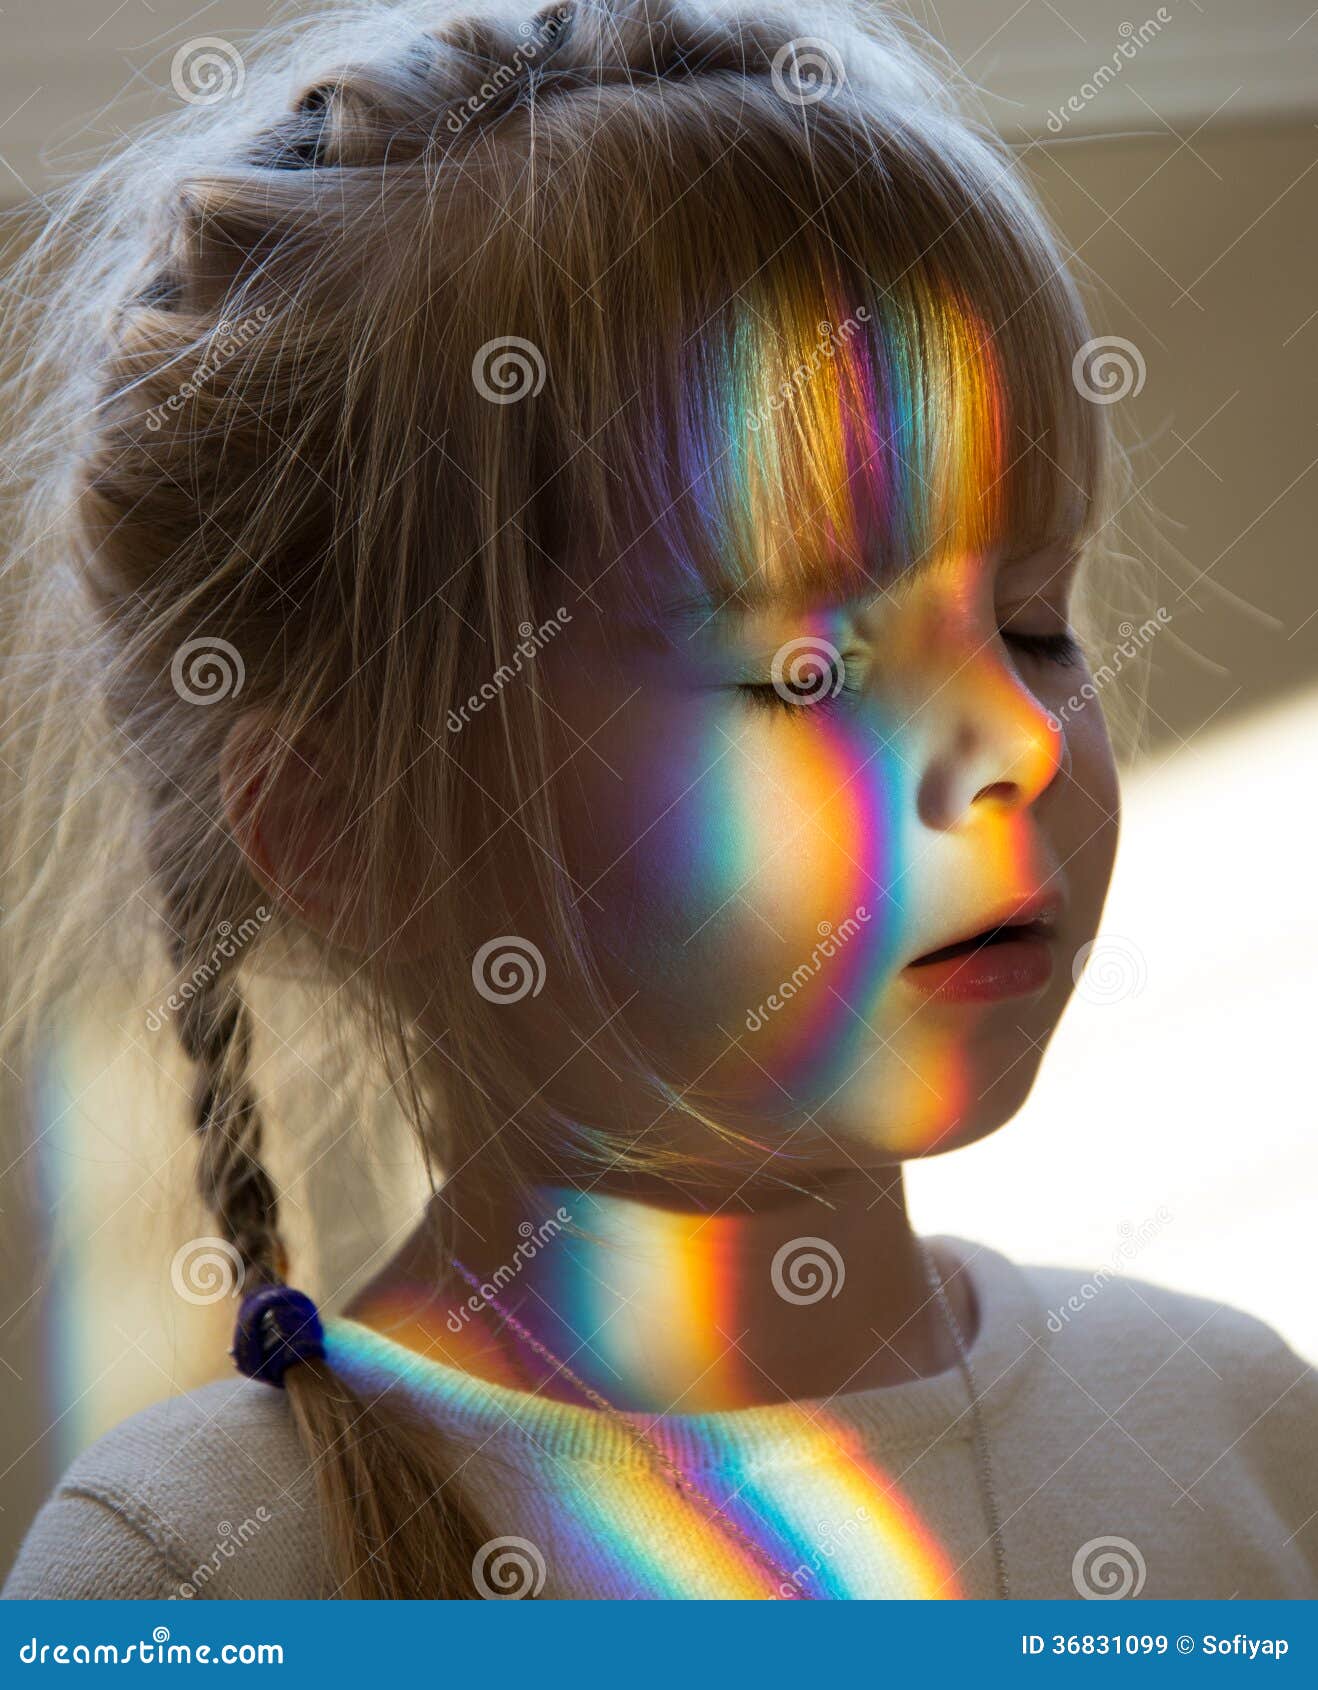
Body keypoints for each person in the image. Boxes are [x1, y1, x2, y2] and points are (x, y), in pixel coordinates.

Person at [2, 0, 1314, 1601]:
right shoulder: (198, 1571)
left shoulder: (1237, 1435)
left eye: (1034, 624)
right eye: (811, 671)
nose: (1022, 740)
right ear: (340, 833)